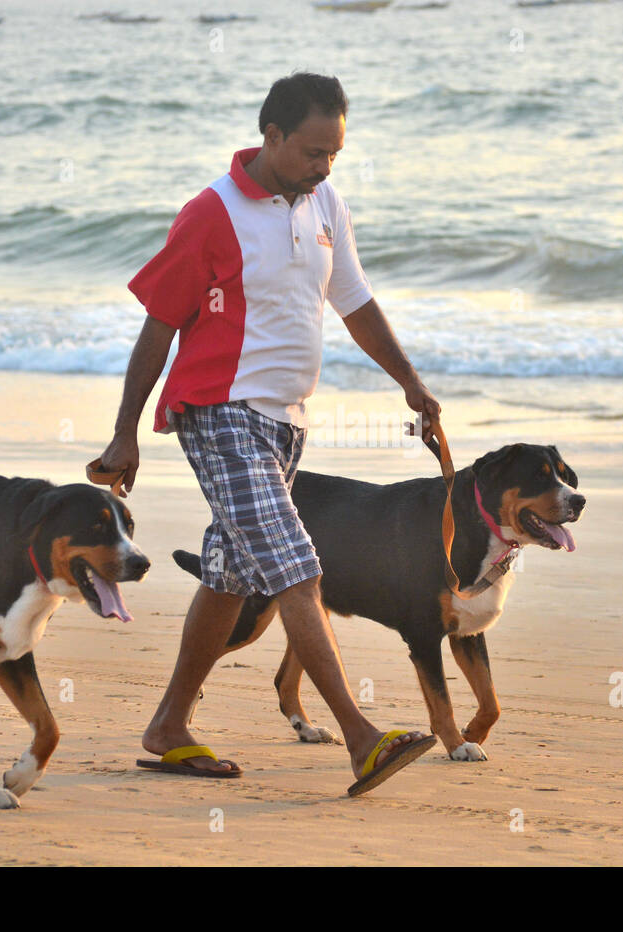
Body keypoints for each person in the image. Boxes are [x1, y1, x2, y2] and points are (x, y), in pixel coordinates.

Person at [99, 72, 442, 794]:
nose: (324, 166)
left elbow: (354, 303)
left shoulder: (325, 205)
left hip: (286, 422)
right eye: (313, 151)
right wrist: (125, 433)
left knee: (229, 578)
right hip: (219, 413)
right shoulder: (211, 214)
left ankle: (167, 727)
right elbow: (158, 326)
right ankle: (362, 738)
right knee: (297, 567)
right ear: (273, 136)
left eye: (335, 154)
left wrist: (409, 381)